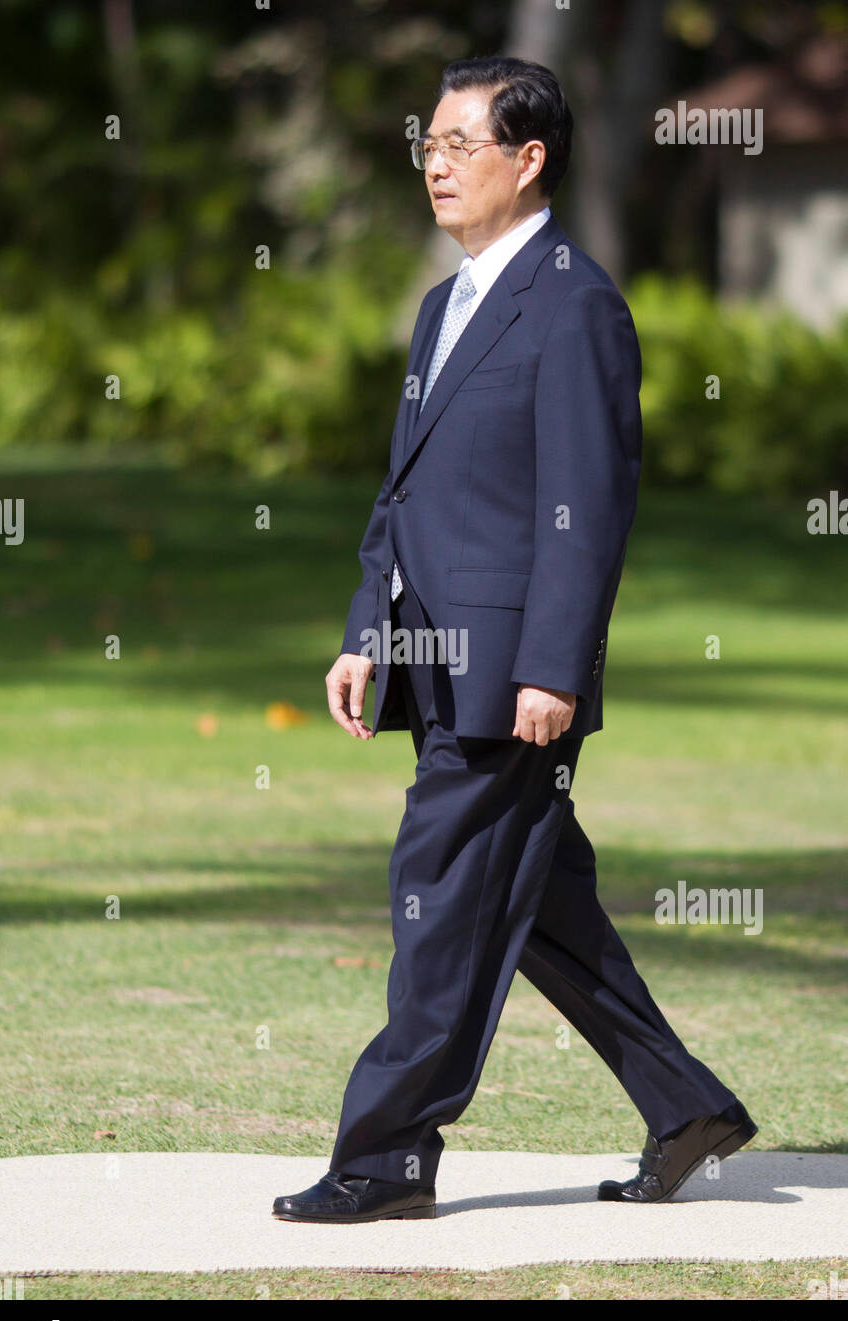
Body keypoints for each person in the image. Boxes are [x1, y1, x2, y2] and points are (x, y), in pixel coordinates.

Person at [273, 56, 756, 1223]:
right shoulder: (447, 305)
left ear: (528, 158)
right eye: (426, 146)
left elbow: (588, 504)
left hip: (507, 680)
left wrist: (553, 663)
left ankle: (385, 1156)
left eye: (459, 144)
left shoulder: (577, 302)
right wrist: (363, 633)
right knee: (538, 902)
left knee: (436, 890)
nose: (435, 164)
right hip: (432, 661)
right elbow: (405, 492)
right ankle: (686, 1106)